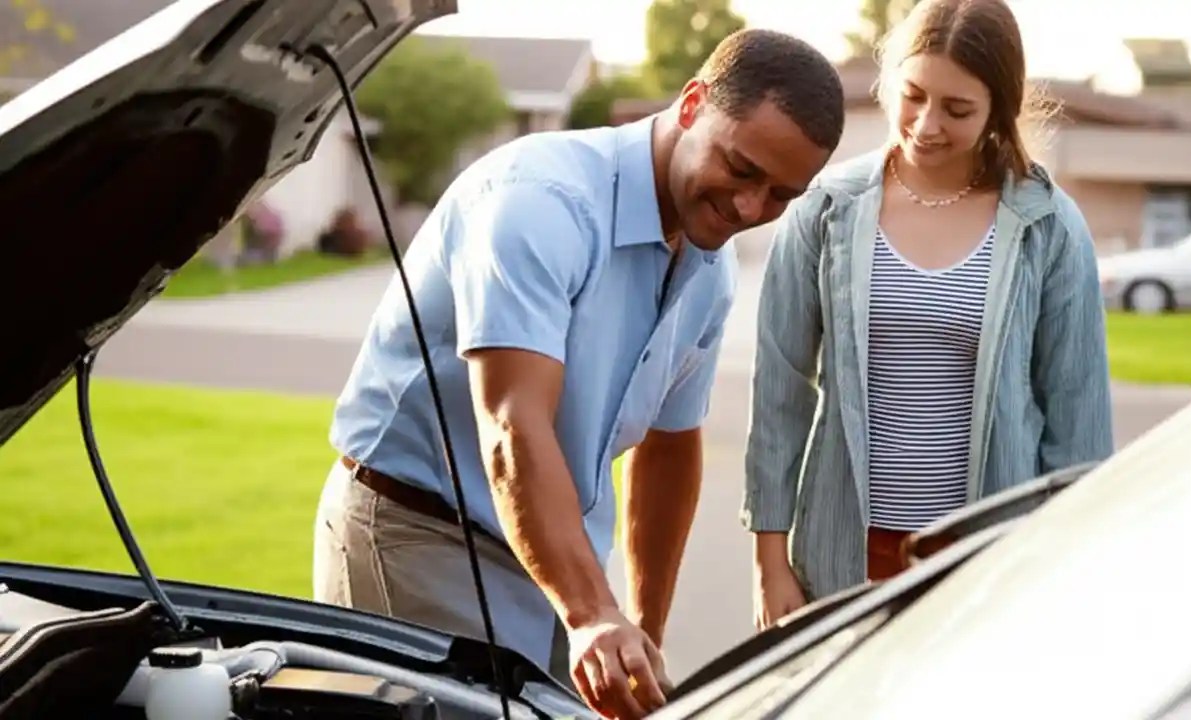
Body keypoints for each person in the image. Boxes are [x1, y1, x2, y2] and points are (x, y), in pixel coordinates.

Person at [313, 28, 846, 720]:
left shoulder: (708, 267)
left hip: (549, 552)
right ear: (691, 105)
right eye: (741, 169)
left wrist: (642, 630)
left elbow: (668, 447)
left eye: (780, 195)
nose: (750, 209)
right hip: (419, 536)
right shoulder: (540, 201)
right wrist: (592, 612)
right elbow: (513, 425)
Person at [742, 0, 1114, 631]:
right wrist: (769, 562)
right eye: (912, 95)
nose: (925, 123)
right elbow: (780, 392)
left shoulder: (1048, 226)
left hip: (989, 559)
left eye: (958, 109)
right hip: (841, 559)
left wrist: (1067, 568)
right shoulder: (825, 211)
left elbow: (1077, 423)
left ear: (1000, 105)